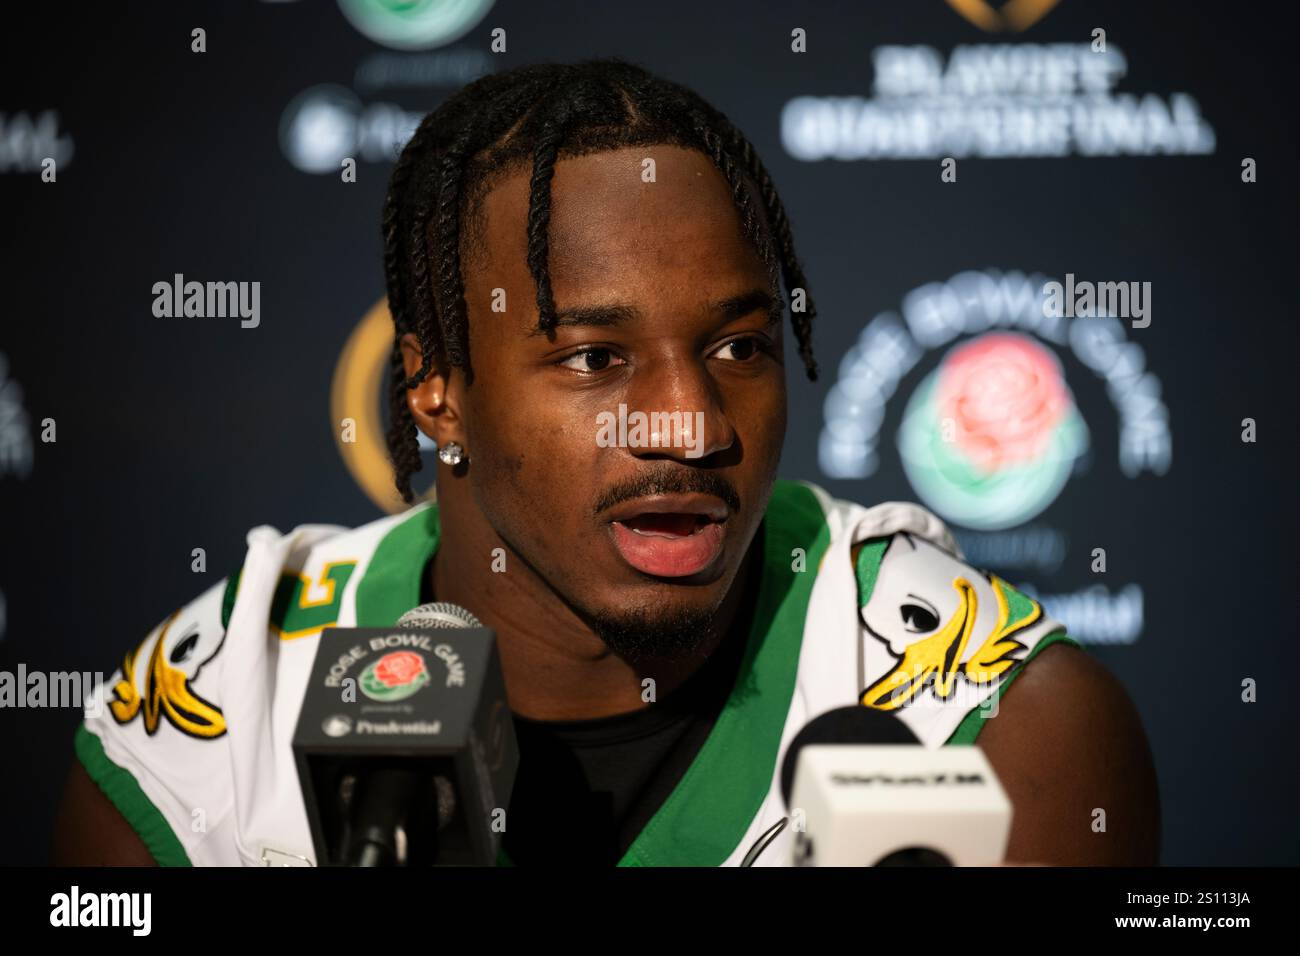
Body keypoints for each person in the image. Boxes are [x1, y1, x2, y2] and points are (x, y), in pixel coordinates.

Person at [53, 59, 1158, 867]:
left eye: (737, 347)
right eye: (594, 357)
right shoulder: (211, 723)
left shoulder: (1002, 731)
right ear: (434, 388)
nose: (688, 422)